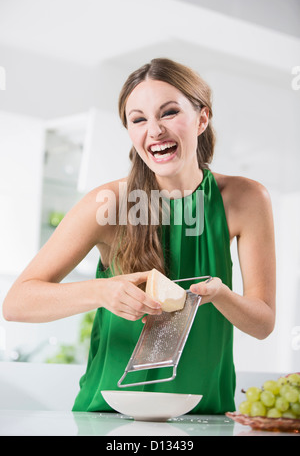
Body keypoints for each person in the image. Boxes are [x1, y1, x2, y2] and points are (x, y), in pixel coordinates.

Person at [3, 58, 276, 414]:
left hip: (205, 418)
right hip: (108, 418)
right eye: (139, 119)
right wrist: (103, 291)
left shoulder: (245, 199)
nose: (155, 130)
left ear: (202, 119)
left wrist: (223, 295)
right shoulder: (107, 204)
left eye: (169, 112)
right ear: (131, 131)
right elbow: (16, 303)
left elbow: (263, 323)